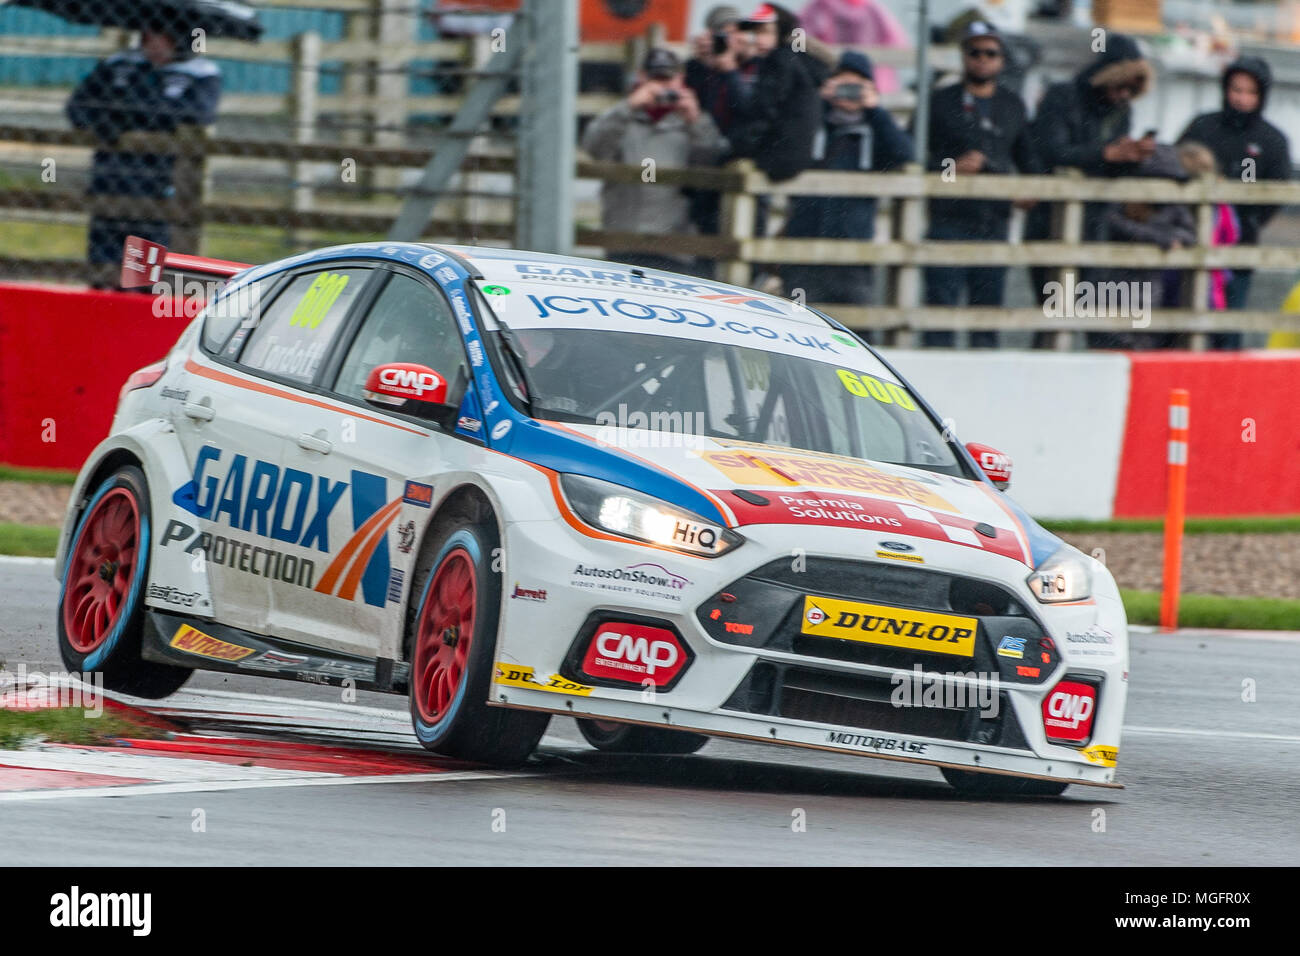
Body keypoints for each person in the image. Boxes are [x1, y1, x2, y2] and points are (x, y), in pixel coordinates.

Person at [920, 20, 1039, 347]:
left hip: (994, 222)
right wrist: (950, 169)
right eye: (975, 52)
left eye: (990, 53)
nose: (982, 59)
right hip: (948, 220)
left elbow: (1029, 160)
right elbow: (910, 158)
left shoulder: (1013, 106)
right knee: (939, 310)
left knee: (987, 313)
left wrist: (1029, 191)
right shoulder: (939, 102)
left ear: (1001, 60)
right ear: (964, 56)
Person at [66, 22, 222, 272]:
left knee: (145, 268)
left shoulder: (200, 73)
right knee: (103, 257)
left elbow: (197, 114)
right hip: (110, 175)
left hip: (160, 181)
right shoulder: (119, 65)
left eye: (162, 36)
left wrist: (127, 113)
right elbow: (79, 107)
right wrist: (109, 122)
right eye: (148, 36)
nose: (154, 43)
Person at [1023, 33, 1153, 325]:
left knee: (1086, 309)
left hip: (1094, 222)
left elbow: (1108, 164)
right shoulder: (1063, 97)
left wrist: (1132, 157)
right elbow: (1052, 150)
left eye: (1131, 90)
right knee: (1052, 308)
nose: (1124, 95)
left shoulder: (1121, 110)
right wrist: (1106, 154)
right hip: (1049, 218)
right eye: (1121, 86)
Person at [780, 51, 912, 308]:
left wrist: (876, 112)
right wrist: (817, 102)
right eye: (842, 84)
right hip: (804, 242)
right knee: (800, 321)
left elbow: (905, 154)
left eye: (856, 86)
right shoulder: (813, 122)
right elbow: (784, 146)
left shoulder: (876, 130)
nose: (849, 93)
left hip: (853, 249)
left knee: (854, 326)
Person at [581, 48, 727, 273]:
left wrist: (696, 121)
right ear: (641, 77)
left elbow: (712, 162)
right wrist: (629, 106)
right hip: (623, 241)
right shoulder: (623, 118)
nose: (661, 87)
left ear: (680, 80)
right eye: (654, 79)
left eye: (667, 79)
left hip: (676, 247)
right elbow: (593, 146)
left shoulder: (693, 121)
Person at [1178, 56, 1292, 315]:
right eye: (1237, 89)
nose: (1242, 98)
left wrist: (1244, 222)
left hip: (1239, 249)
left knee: (1229, 321)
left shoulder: (1272, 141)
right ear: (1225, 89)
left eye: (1251, 92)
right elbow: (1177, 166)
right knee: (1185, 313)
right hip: (1191, 240)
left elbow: (1276, 194)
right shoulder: (1203, 127)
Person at [727, 3, 829, 183]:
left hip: (777, 158)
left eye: (765, 32)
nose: (758, 39)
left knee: (719, 169)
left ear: (780, 33)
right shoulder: (799, 61)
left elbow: (765, 111)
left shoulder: (779, 61)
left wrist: (738, 143)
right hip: (797, 157)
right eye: (756, 32)